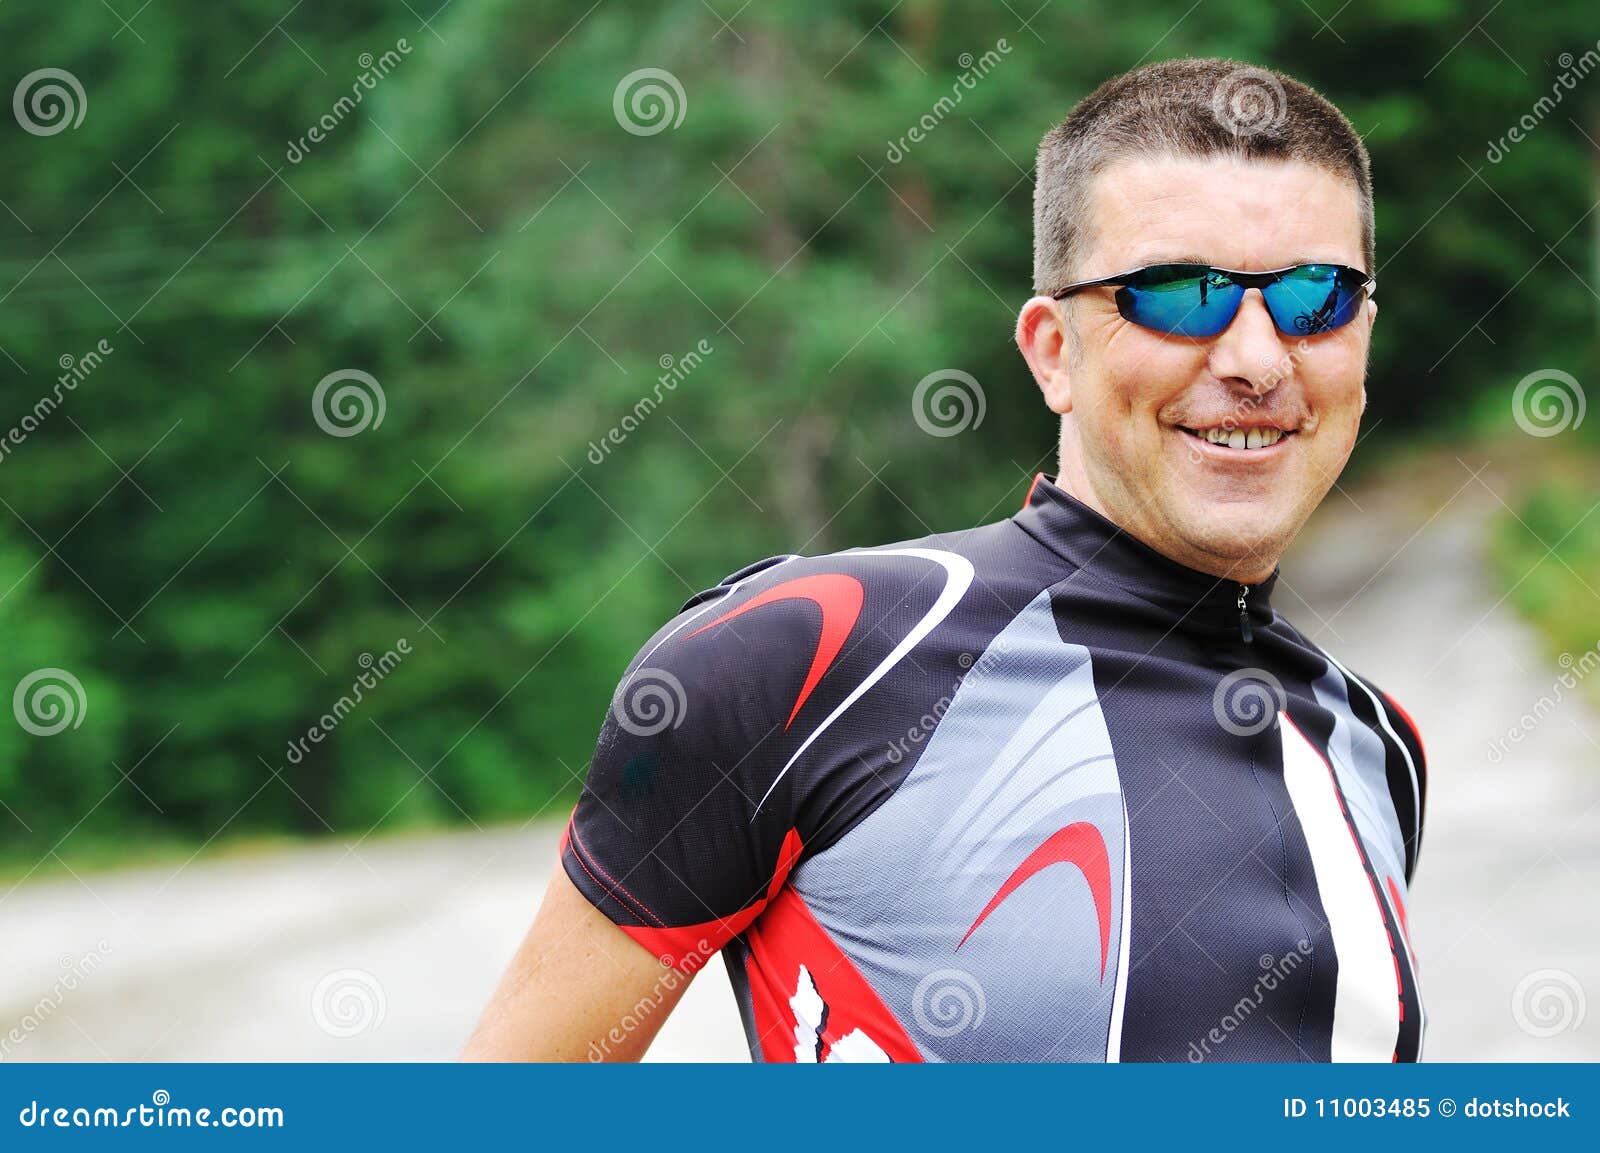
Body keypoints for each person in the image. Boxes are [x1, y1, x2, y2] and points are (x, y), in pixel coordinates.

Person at [463, 56, 1427, 1063]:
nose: (1257, 360)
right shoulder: (808, 658)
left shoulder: (1375, 745)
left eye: (1315, 296)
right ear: (1052, 351)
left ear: (1361, 334)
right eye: (1179, 294)